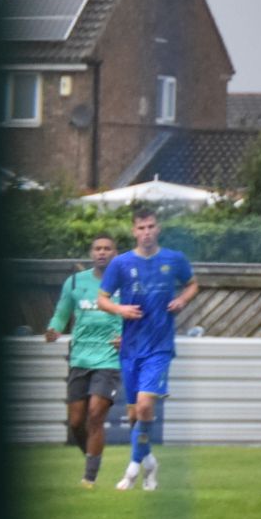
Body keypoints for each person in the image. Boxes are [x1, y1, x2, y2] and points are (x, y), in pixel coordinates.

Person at [98, 206, 197, 492]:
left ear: (158, 228)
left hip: (159, 347)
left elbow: (192, 285)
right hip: (130, 349)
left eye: (151, 226)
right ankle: (150, 463)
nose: (146, 232)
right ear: (133, 231)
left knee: (144, 406)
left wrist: (182, 300)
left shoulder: (173, 259)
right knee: (135, 416)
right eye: (141, 228)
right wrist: (120, 309)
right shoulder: (121, 264)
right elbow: (103, 299)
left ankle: (131, 471)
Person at [45, 234, 122, 487]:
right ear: (92, 253)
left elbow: (139, 315)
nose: (102, 252)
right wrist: (53, 329)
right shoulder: (76, 282)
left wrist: (127, 338)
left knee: (96, 414)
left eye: (107, 248)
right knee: (77, 422)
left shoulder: (126, 283)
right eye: (97, 248)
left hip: (109, 359)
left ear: (115, 253)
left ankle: (89, 478)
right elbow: (61, 313)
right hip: (80, 358)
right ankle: (92, 455)